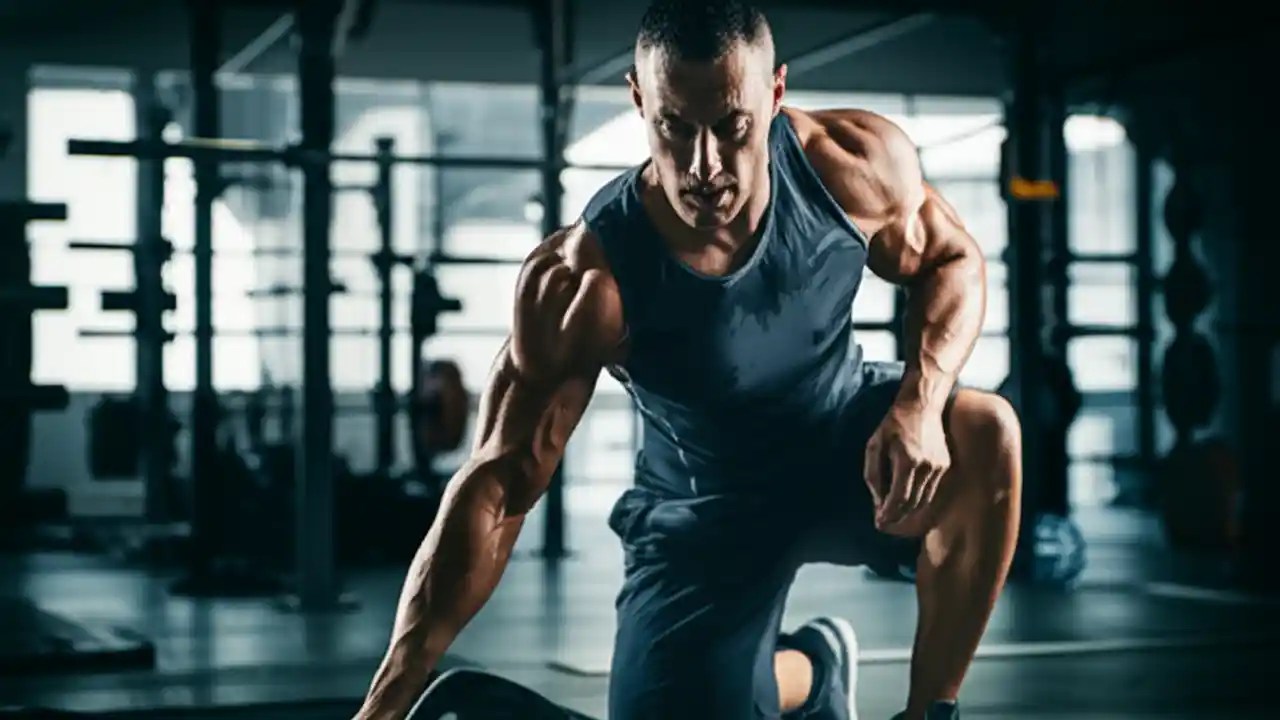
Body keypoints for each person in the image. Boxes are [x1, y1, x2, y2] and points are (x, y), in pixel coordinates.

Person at [356, 1, 1022, 718]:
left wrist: (920, 405)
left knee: (986, 431)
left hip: (846, 450)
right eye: (674, 126)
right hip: (704, 514)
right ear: (640, 101)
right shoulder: (586, 278)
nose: (704, 166)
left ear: (774, 95)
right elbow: (499, 482)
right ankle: (816, 669)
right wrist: (391, 691)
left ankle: (927, 715)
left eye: (732, 127)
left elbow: (952, 259)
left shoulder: (850, 166)